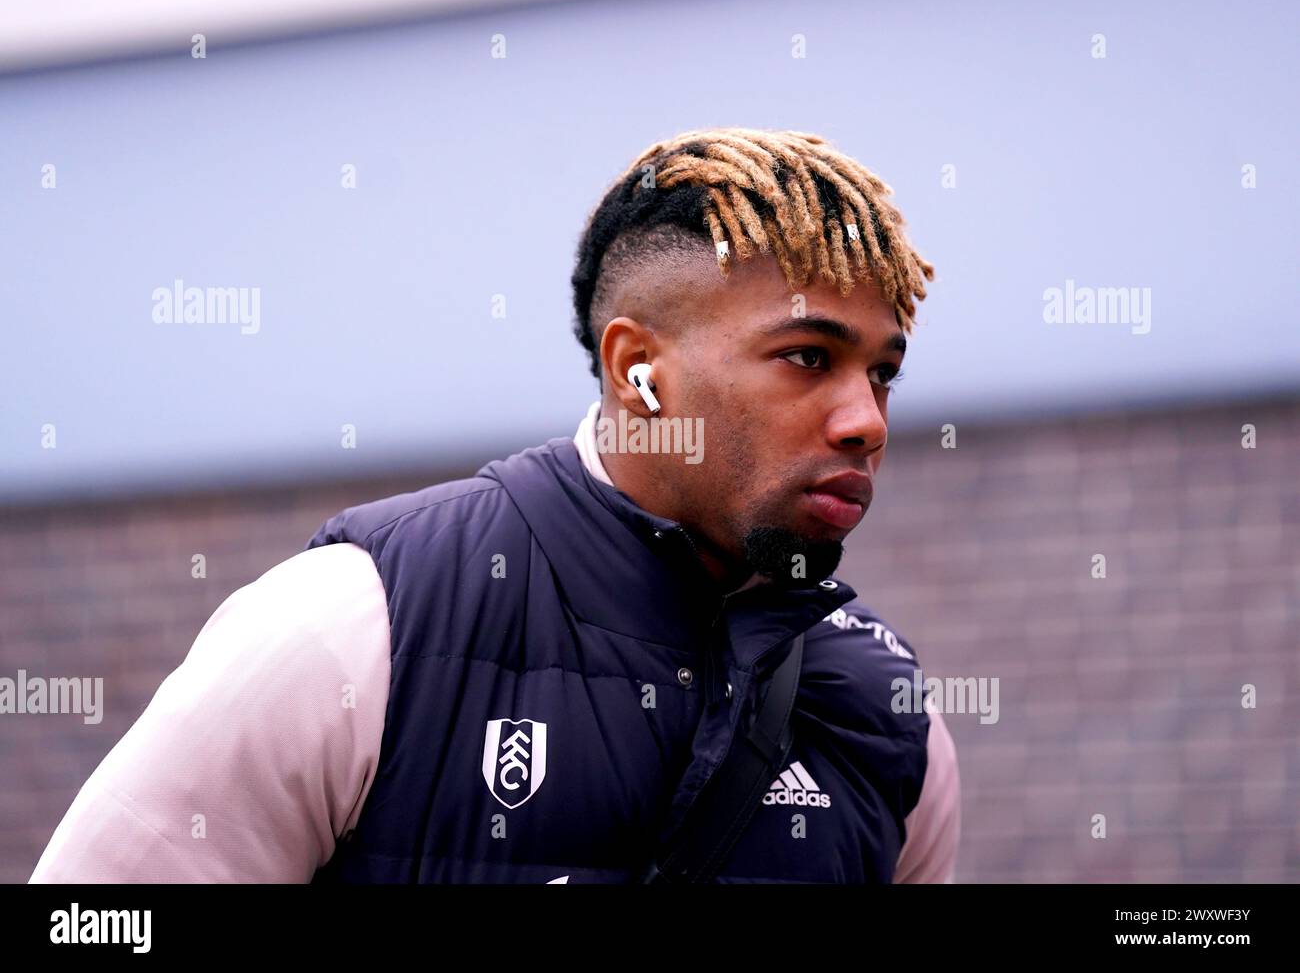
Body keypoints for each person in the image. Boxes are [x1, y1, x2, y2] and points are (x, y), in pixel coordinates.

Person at [31, 127, 959, 883]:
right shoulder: (357, 624)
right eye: (808, 357)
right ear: (638, 370)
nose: (865, 421)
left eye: (883, 374)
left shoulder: (888, 712)